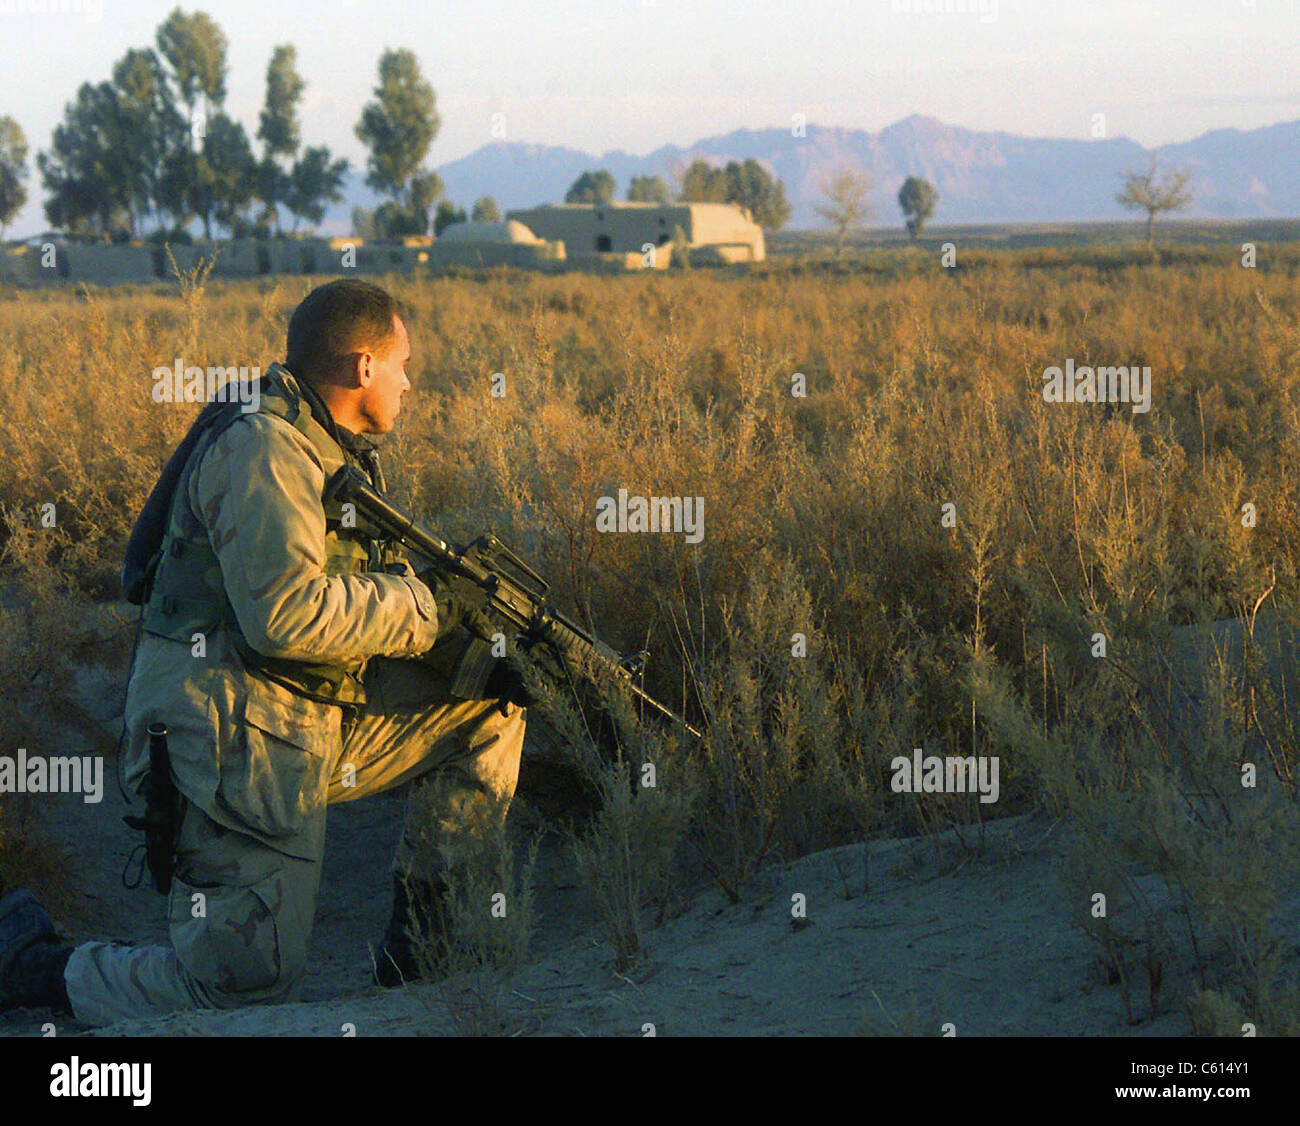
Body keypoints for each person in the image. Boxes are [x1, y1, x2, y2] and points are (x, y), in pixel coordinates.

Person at [0, 279, 529, 1025]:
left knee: (485, 714)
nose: (411, 381)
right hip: (227, 738)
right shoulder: (265, 449)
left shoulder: (316, 441)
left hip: (294, 715)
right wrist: (423, 608)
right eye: (403, 363)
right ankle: (42, 969)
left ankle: (427, 959)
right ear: (363, 367)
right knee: (231, 992)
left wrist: (456, 634)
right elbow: (286, 613)